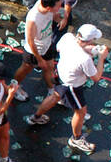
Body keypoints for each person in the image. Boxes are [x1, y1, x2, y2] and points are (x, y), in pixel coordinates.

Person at [27, 24, 106, 153]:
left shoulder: (68, 37)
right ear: (90, 40)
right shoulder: (85, 59)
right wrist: (101, 58)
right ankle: (76, 139)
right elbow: (96, 77)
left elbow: (58, 49)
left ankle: (35, 117)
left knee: (54, 96)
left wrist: (86, 50)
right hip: (72, 86)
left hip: (60, 76)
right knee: (81, 111)